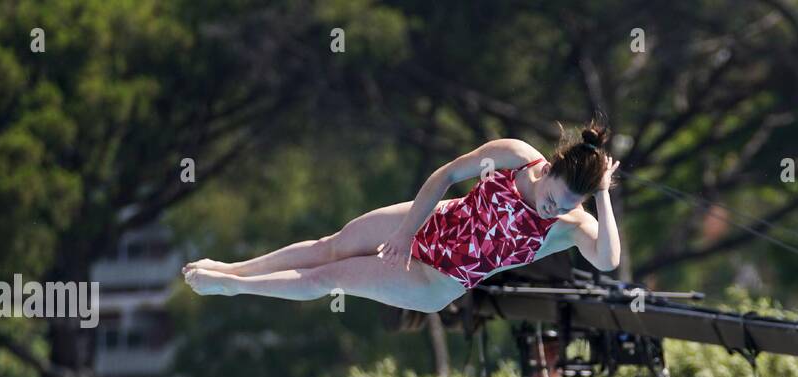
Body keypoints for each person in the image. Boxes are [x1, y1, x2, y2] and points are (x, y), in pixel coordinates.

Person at [182, 118, 621, 312]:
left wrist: (601, 196)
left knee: (328, 277)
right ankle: (232, 266)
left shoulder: (572, 225)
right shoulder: (514, 156)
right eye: (554, 198)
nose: (553, 210)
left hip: (434, 279)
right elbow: (447, 174)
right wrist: (410, 231)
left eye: (567, 206)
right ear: (549, 170)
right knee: (328, 247)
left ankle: (235, 287)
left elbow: (608, 260)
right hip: (430, 221)